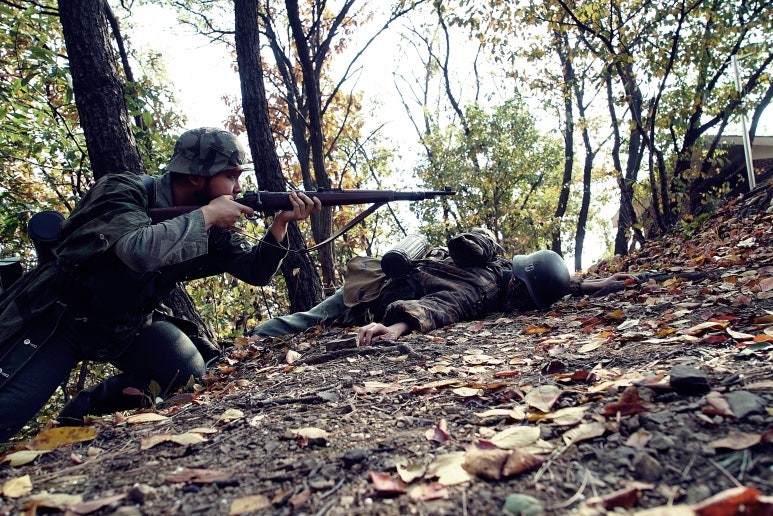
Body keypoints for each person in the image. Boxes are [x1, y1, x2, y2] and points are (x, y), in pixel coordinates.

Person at [0, 127, 321, 441]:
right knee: (6, 415)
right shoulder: (122, 190)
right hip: (62, 319)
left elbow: (255, 272)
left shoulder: (208, 216)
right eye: (230, 176)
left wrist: (280, 224)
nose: (238, 188)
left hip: (127, 324)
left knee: (188, 376)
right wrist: (206, 216)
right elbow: (137, 251)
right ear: (196, 177)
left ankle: (80, 412)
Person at [250, 229, 634, 345]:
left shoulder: (494, 278)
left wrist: (395, 327)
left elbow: (438, 309)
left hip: (378, 288)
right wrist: (594, 284)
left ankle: (255, 337)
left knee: (309, 318)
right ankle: (255, 338)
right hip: (373, 289)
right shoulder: (495, 276)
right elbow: (548, 283)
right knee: (306, 320)